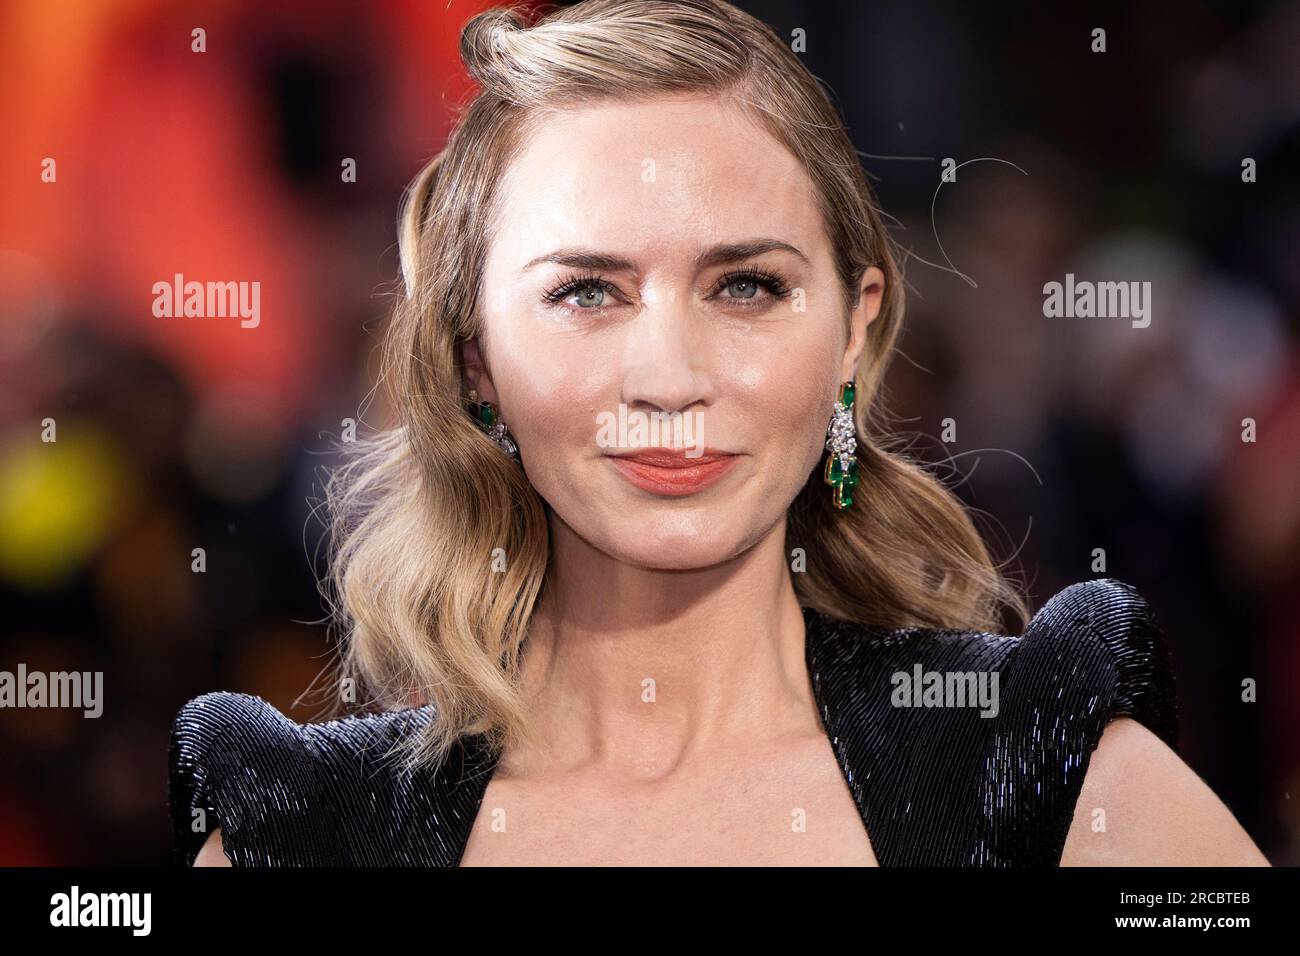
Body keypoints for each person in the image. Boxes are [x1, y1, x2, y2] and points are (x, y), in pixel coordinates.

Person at [169, 0, 1268, 867]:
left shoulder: (1057, 789)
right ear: (474, 358)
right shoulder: (310, 836)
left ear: (854, 329)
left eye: (745, 285)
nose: (672, 373)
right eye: (588, 293)